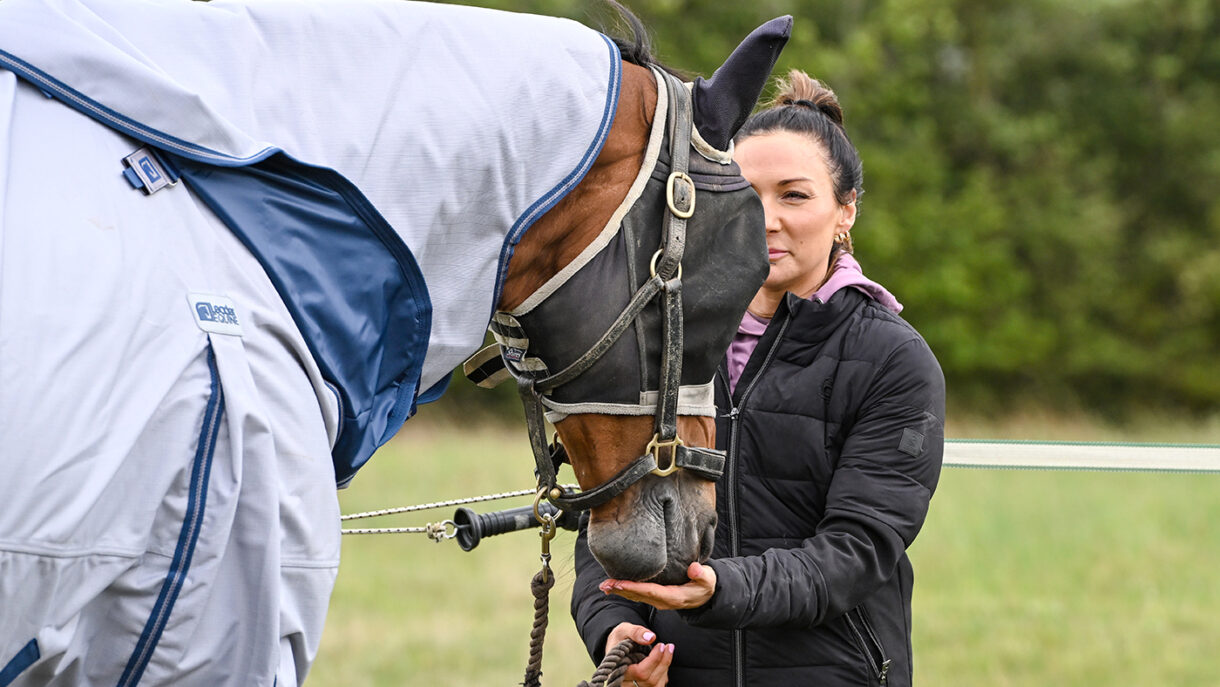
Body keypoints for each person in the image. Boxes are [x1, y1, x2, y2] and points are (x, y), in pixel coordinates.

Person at [570, 70, 946, 687]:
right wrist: (614, 632)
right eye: (746, 194)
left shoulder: (892, 360)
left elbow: (858, 550)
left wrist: (722, 589)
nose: (764, 219)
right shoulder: (665, 342)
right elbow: (611, 515)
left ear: (845, 211)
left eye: (794, 196)